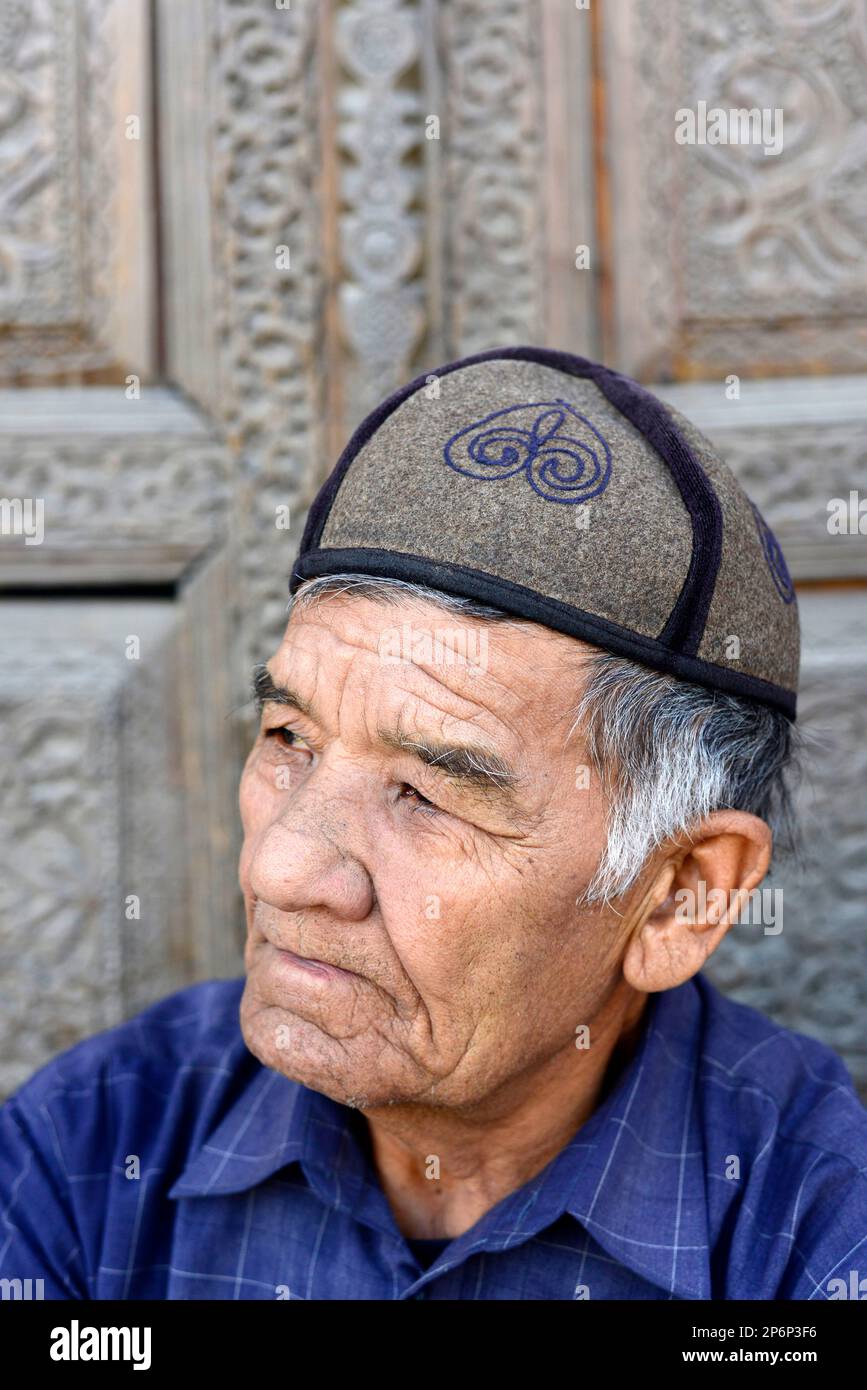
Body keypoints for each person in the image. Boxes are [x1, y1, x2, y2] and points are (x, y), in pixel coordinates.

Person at [2, 346, 865, 1301]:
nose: (283, 867)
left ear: (679, 896)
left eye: (426, 793)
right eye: (290, 736)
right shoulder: (89, 1158)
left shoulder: (809, 1233)